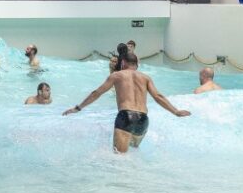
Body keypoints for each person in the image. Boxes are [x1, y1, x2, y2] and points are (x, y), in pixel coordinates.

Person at [63, 51, 191, 153]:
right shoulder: (146, 78)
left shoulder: (117, 75)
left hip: (126, 117)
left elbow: (97, 93)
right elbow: (158, 96)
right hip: (143, 120)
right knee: (133, 156)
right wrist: (176, 111)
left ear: (123, 62)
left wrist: (78, 108)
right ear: (137, 63)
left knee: (120, 159)